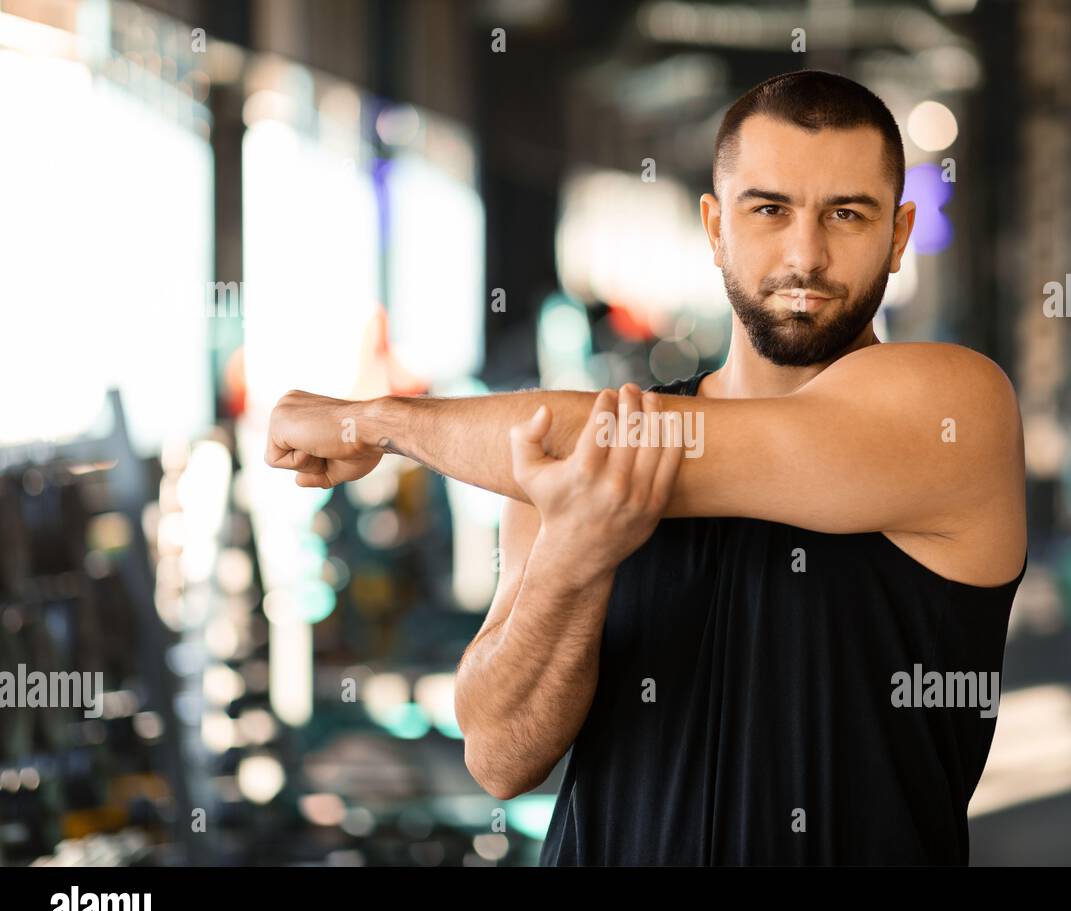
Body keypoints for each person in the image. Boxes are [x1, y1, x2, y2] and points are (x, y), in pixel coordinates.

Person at [265, 69, 1028, 865]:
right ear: (714, 226)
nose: (806, 254)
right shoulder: (564, 460)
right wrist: (574, 558)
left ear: (899, 236)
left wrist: (379, 419)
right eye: (769, 209)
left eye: (847, 213)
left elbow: (572, 436)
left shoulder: (956, 409)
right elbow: (499, 760)